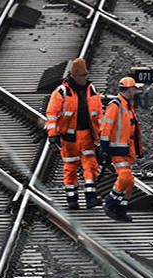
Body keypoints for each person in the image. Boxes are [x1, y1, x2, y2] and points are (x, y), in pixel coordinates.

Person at [45, 57, 104, 209]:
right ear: (74, 76)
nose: (85, 79)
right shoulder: (61, 92)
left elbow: (98, 116)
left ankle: (91, 197)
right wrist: (52, 135)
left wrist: (103, 136)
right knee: (70, 167)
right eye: (82, 76)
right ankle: (72, 200)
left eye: (86, 76)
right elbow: (52, 114)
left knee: (90, 165)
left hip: (87, 135)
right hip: (69, 138)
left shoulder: (92, 90)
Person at [98, 77, 144, 221]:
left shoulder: (127, 106)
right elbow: (106, 127)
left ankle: (121, 209)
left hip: (127, 149)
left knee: (129, 182)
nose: (135, 91)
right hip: (117, 149)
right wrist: (104, 147)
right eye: (134, 89)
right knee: (125, 177)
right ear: (128, 89)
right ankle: (110, 202)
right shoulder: (116, 105)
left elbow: (132, 130)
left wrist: (138, 149)